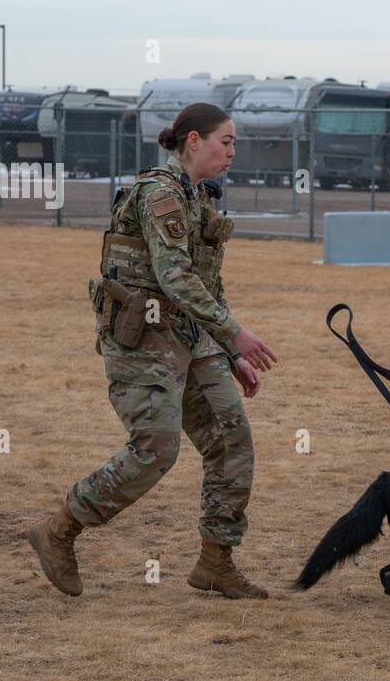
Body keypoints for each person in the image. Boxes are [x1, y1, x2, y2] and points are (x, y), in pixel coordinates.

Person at [28, 103, 278, 600]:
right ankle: (59, 530)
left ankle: (215, 561)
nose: (231, 151)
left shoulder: (198, 196)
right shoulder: (160, 194)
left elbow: (207, 279)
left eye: (232, 143)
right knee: (156, 451)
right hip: (144, 340)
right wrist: (235, 334)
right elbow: (173, 276)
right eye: (224, 141)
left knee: (232, 441)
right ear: (192, 141)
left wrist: (230, 355)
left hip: (192, 339)